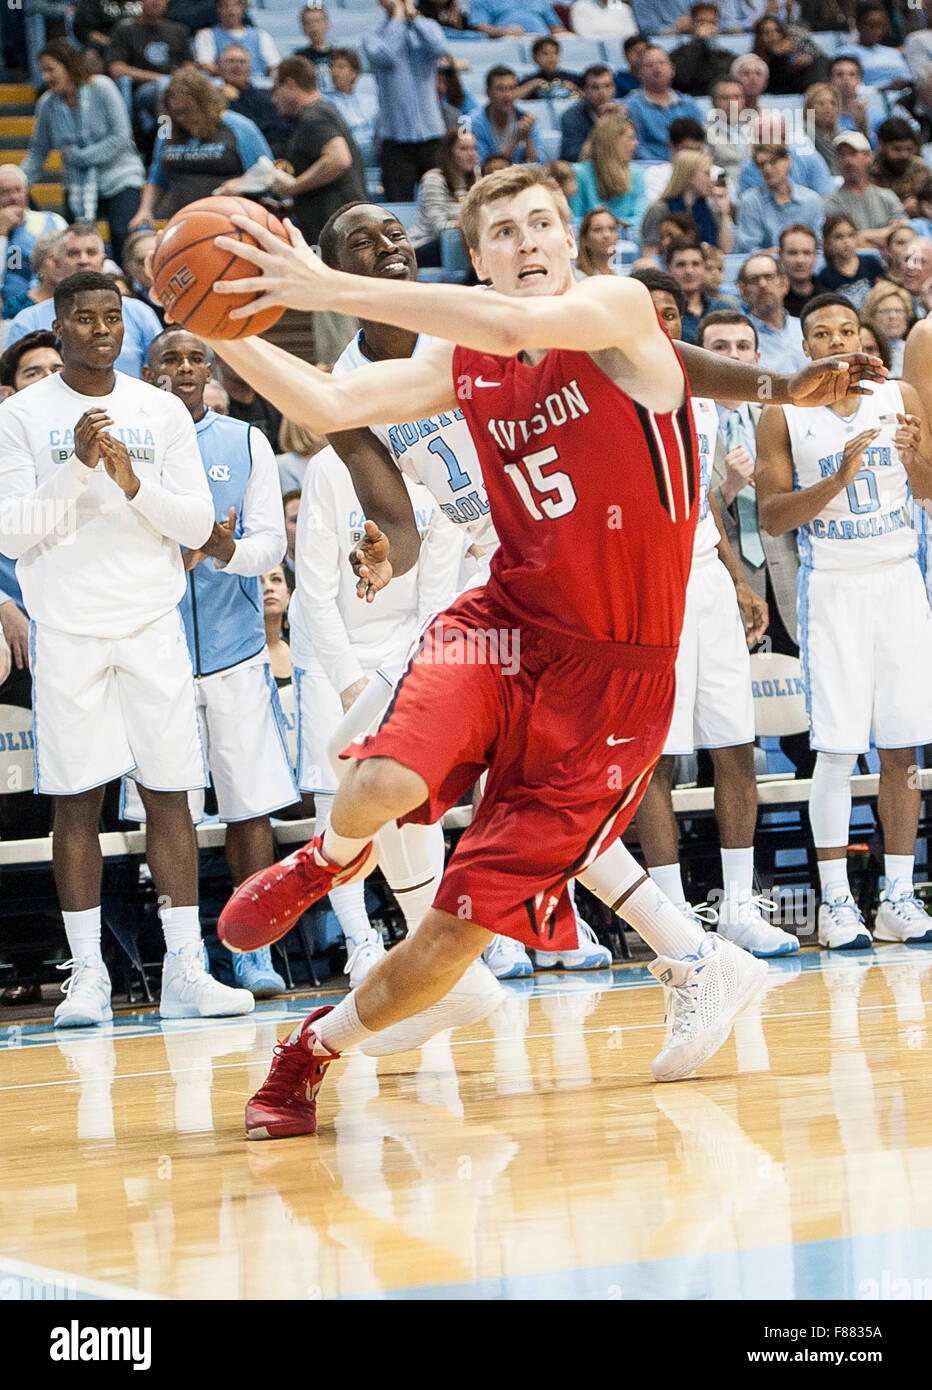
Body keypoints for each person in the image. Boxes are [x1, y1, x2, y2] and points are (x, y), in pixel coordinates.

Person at [193, 172, 884, 1126]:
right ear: (476, 260)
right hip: (503, 622)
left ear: (570, 242)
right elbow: (326, 393)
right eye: (503, 233)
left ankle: (308, 1051)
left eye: (542, 225)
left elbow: (522, 330)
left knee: (450, 939)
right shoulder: (465, 360)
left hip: (615, 674)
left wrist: (322, 288)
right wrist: (218, 323)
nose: (527, 243)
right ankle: (328, 857)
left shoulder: (618, 308)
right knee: (380, 778)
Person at [0, 270, 254, 1027]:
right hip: (69, 629)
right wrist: (78, 468)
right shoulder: (22, 416)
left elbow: (196, 524)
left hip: (150, 623)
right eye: (84, 318)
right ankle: (88, 977)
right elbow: (12, 534)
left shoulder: (158, 411)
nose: (101, 329)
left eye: (112, 317)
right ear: (58, 323)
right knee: (75, 798)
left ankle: (185, 966)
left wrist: (130, 481)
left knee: (168, 791)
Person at [631, 268, 798, 957]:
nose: (662, 325)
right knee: (655, 758)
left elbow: (704, 502)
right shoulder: (611, 397)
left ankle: (735, 906)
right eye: (650, 314)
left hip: (706, 576)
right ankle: (672, 918)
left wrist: (738, 578)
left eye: (671, 315)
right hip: (647, 587)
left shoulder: (701, 401)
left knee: (736, 743)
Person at [756, 292, 932, 950]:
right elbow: (772, 517)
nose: (837, 341)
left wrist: (915, 457)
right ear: (805, 348)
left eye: (847, 330)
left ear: (864, 338)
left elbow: (929, 489)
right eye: (823, 333)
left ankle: (896, 897)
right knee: (834, 748)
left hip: (897, 581)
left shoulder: (901, 397)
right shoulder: (785, 415)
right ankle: (836, 904)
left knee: (902, 748)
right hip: (832, 587)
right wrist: (836, 482)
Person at [140, 326, 295, 998]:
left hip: (234, 651)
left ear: (211, 371)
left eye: (195, 357)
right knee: (168, 805)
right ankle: (185, 960)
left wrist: (220, 551)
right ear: (150, 373)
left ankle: (250, 950)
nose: (183, 368)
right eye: (169, 358)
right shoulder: (133, 443)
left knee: (248, 806)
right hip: (156, 651)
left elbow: (269, 548)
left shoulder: (244, 440)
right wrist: (182, 556)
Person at [701, 309, 808, 776]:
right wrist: (727, 490)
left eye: (743, 348)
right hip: (720, 591)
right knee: (722, 741)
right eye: (720, 349)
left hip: (786, 585)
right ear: (703, 358)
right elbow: (683, 517)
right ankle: (720, 848)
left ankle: (835, 846)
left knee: (810, 736)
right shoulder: (684, 420)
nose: (734, 357)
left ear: (758, 356)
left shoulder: (780, 420)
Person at [23, 39, 145, 264]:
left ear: (68, 65)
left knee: (122, 234)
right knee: (71, 242)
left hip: (120, 175)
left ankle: (128, 288)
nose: (46, 77)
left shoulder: (101, 86)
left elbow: (121, 137)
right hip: (77, 182)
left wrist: (79, 157)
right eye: (42, 71)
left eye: (51, 69)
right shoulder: (46, 104)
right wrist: (18, 182)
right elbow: (38, 151)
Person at [6, 224, 162, 378]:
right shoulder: (28, 320)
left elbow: (160, 369)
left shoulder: (140, 312)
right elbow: (13, 383)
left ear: (103, 261)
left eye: (91, 252)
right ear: (57, 263)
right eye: (73, 253)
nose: (83, 260)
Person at [129, 68, 272, 227]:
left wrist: (242, 183)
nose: (181, 118)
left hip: (232, 222)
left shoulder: (238, 126)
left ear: (205, 105)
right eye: (175, 112)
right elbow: (157, 176)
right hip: (183, 221)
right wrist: (145, 210)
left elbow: (267, 172)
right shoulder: (168, 129)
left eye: (187, 111)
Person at [260, 56, 366, 248]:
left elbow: (339, 160)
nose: (274, 99)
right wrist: (293, 206)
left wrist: (292, 188)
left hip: (337, 233)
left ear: (290, 84)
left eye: (276, 89)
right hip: (341, 226)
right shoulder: (323, 110)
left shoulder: (314, 116)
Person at [363, 0, 447, 203]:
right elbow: (387, 55)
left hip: (432, 137)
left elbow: (438, 47)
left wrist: (414, 16)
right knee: (399, 205)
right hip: (395, 141)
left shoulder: (427, 27)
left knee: (442, 202)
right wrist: (399, 16)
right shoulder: (373, 36)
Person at [106, 0, 192, 149]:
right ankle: (167, 145)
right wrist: (159, 78)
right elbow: (117, 69)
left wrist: (181, 76)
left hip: (177, 87)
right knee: (164, 89)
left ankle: (202, 145)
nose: (156, 2)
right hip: (142, 91)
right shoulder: (125, 30)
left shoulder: (178, 30)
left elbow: (190, 66)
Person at [734, 143, 825, 256]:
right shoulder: (750, 201)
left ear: (788, 161)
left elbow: (819, 248)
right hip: (766, 268)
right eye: (761, 165)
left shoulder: (812, 201)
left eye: (773, 162)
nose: (767, 169)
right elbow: (746, 251)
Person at [408, 124, 478, 265]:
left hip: (457, 245)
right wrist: (466, 225)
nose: (472, 154)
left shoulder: (476, 179)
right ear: (449, 153)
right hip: (427, 245)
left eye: (474, 148)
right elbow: (438, 227)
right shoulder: (434, 179)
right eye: (464, 149)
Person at [823, 132, 906, 248]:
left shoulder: (887, 197)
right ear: (836, 161)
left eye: (853, 154)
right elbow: (845, 244)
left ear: (869, 157)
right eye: (841, 155)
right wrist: (885, 236)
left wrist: (861, 235)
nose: (848, 161)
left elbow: (903, 236)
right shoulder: (830, 203)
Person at [0, 164, 66, 310]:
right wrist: (2, 234)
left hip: (50, 303)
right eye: (4, 192)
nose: (13, 197)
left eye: (18, 190)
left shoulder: (53, 220)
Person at [642, 151, 733, 255]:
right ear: (689, 175)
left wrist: (724, 212)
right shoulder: (660, 209)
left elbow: (726, 251)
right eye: (706, 174)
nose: (712, 180)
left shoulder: (708, 208)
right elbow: (650, 254)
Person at [570, 113, 646, 233]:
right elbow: (573, 219)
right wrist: (602, 226)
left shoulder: (637, 174)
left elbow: (641, 217)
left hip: (627, 237)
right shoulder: (579, 173)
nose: (636, 143)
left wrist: (613, 226)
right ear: (612, 141)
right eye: (631, 138)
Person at [624, 46, 703, 160]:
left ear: (672, 69)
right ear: (640, 73)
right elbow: (636, 146)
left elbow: (702, 140)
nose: (657, 68)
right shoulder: (631, 106)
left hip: (690, 166)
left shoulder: (689, 103)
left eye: (662, 63)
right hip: (650, 169)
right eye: (649, 65)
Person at [218, 45, 296, 158]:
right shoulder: (213, 99)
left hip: (271, 151)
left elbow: (282, 129)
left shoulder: (268, 96)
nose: (237, 66)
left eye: (242, 61)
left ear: (250, 69)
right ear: (219, 67)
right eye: (231, 61)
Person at [737, 252, 807, 373]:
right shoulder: (738, 339)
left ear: (784, 284)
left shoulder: (806, 328)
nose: (763, 284)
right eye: (754, 279)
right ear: (743, 291)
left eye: (769, 277)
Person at [665, 236, 735, 343]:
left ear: (704, 267)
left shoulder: (723, 309)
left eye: (695, 264)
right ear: (669, 269)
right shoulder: (664, 314)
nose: (689, 271)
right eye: (681, 265)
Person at [815, 214, 887, 312]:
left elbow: (884, 291)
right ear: (827, 242)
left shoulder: (871, 262)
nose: (846, 241)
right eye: (839, 237)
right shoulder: (826, 275)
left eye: (851, 235)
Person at [470, 66, 539, 168]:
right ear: (488, 93)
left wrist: (527, 137)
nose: (508, 96)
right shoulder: (474, 124)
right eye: (500, 89)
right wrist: (516, 140)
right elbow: (486, 168)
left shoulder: (526, 119)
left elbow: (537, 164)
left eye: (512, 88)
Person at [193, 0, 280, 77]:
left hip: (257, 84)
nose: (231, 10)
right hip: (223, 86)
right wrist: (233, 77)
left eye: (236, 5)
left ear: (242, 7)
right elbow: (205, 64)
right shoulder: (206, 35)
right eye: (226, 5)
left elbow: (275, 66)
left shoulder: (261, 35)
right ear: (218, 9)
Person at [841, 3, 913, 92]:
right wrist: (885, 88)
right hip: (869, 100)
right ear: (858, 25)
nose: (878, 31)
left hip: (906, 100)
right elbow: (848, 87)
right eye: (872, 26)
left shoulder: (893, 53)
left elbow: (910, 78)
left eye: (881, 26)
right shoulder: (847, 53)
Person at [669, 2, 735, 98]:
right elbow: (684, 78)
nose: (707, 27)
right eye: (702, 22)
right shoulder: (679, 53)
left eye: (712, 22)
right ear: (692, 24)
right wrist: (699, 41)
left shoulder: (724, 55)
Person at [750, 13, 825, 95]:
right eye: (766, 32)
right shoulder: (752, 60)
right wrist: (777, 56)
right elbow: (773, 87)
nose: (773, 36)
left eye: (777, 31)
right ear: (759, 38)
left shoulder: (792, 54)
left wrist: (808, 62)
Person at [559, 64, 620, 163]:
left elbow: (634, 153)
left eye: (607, 86)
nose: (602, 93)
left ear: (614, 89)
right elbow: (574, 156)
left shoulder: (623, 113)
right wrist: (601, 125)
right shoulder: (571, 116)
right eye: (595, 87)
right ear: (584, 91)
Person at [869, 117, 929, 218]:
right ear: (881, 144)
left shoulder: (920, 168)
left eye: (909, 149)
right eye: (897, 149)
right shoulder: (869, 170)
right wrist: (900, 209)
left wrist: (920, 207)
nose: (904, 155)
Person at [2, 228, 66, 322]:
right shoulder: (16, 306)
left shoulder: (75, 304)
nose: (61, 264)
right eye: (54, 259)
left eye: (65, 258)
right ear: (39, 265)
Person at [326, 48, 379, 159]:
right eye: (332, 67)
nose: (334, 72)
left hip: (373, 151)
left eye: (341, 67)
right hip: (345, 152)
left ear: (354, 73)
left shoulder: (370, 101)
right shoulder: (325, 101)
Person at [860, 279, 915, 376]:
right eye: (885, 311)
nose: (893, 316)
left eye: (898, 311)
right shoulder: (863, 349)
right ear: (872, 316)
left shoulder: (914, 350)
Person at [516, 37, 581, 102]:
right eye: (545, 53)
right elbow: (513, 97)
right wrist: (532, 85)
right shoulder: (529, 80)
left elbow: (588, 96)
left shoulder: (574, 78)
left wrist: (575, 89)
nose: (551, 57)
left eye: (555, 53)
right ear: (535, 58)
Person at [779, 222, 819, 317]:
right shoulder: (773, 301)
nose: (800, 261)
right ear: (780, 255)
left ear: (815, 256)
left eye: (807, 253)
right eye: (793, 253)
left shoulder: (828, 296)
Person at [468, 0, 568, 37]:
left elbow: (554, 26)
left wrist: (565, 34)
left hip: (541, 40)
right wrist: (501, 31)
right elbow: (479, 26)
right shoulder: (481, 1)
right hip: (508, 41)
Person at [829, 54, 871, 140]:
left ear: (859, 80)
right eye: (839, 74)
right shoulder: (821, 114)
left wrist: (863, 126)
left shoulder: (874, 114)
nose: (846, 79)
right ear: (830, 79)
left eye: (852, 74)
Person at [803, 82, 842, 174]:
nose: (828, 108)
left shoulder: (843, 137)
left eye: (833, 103)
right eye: (821, 103)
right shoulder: (802, 137)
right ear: (809, 108)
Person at [575, 206, 622, 276]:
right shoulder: (577, 277)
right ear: (585, 239)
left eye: (612, 229)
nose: (606, 235)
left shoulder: (619, 277)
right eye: (598, 229)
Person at [294, 3, 332, 78]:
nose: (314, 27)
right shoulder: (299, 58)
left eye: (318, 21)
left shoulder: (339, 54)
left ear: (327, 24)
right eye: (309, 23)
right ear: (303, 28)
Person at [571, 0, 637, 39]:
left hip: (621, 50)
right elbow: (584, 34)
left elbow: (631, 34)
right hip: (592, 50)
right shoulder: (580, 6)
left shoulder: (624, 8)